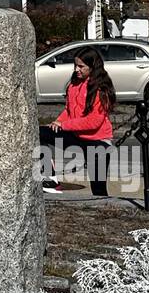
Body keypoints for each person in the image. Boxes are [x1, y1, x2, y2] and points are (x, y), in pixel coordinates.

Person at [42, 48, 115, 197]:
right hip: (75, 136)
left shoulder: (101, 89)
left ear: (92, 67)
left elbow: (93, 122)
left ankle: (103, 208)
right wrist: (58, 121)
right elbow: (68, 110)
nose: (76, 70)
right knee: (39, 133)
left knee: (98, 190)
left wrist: (64, 125)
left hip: (98, 141)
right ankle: (50, 178)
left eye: (81, 67)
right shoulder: (73, 85)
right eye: (75, 65)